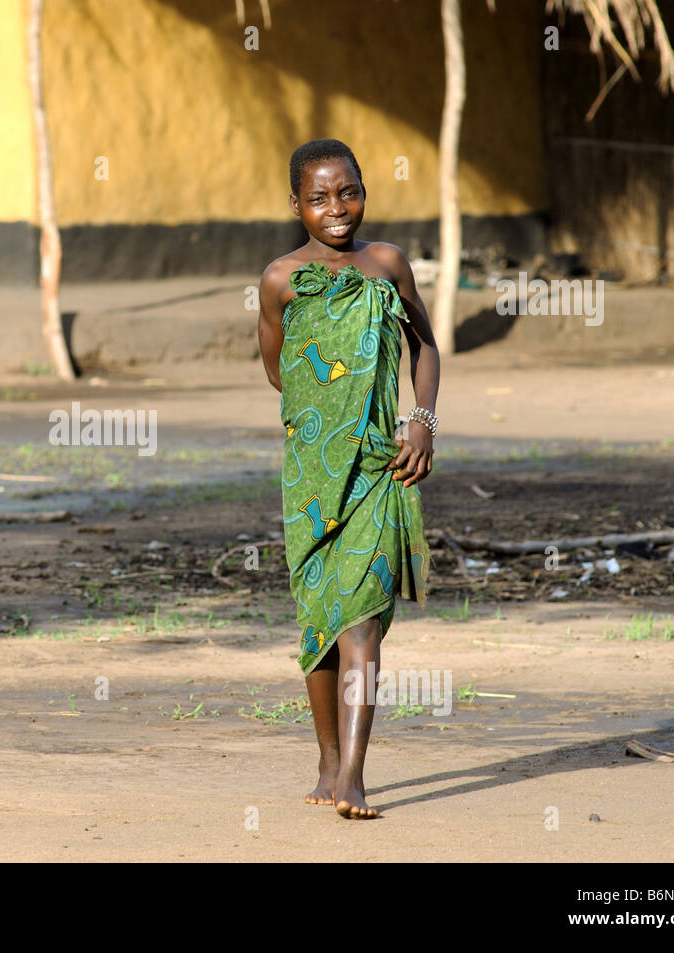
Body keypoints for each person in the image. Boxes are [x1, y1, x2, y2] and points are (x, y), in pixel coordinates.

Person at [256, 139, 439, 819]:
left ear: (364, 189)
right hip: (309, 477)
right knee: (319, 625)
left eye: (349, 191)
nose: (337, 209)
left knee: (361, 622)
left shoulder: (388, 265)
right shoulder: (280, 279)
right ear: (297, 204)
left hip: (375, 469)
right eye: (319, 197)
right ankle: (328, 757)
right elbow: (277, 372)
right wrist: (327, 402)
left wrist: (419, 420)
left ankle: (355, 774)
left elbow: (426, 343)